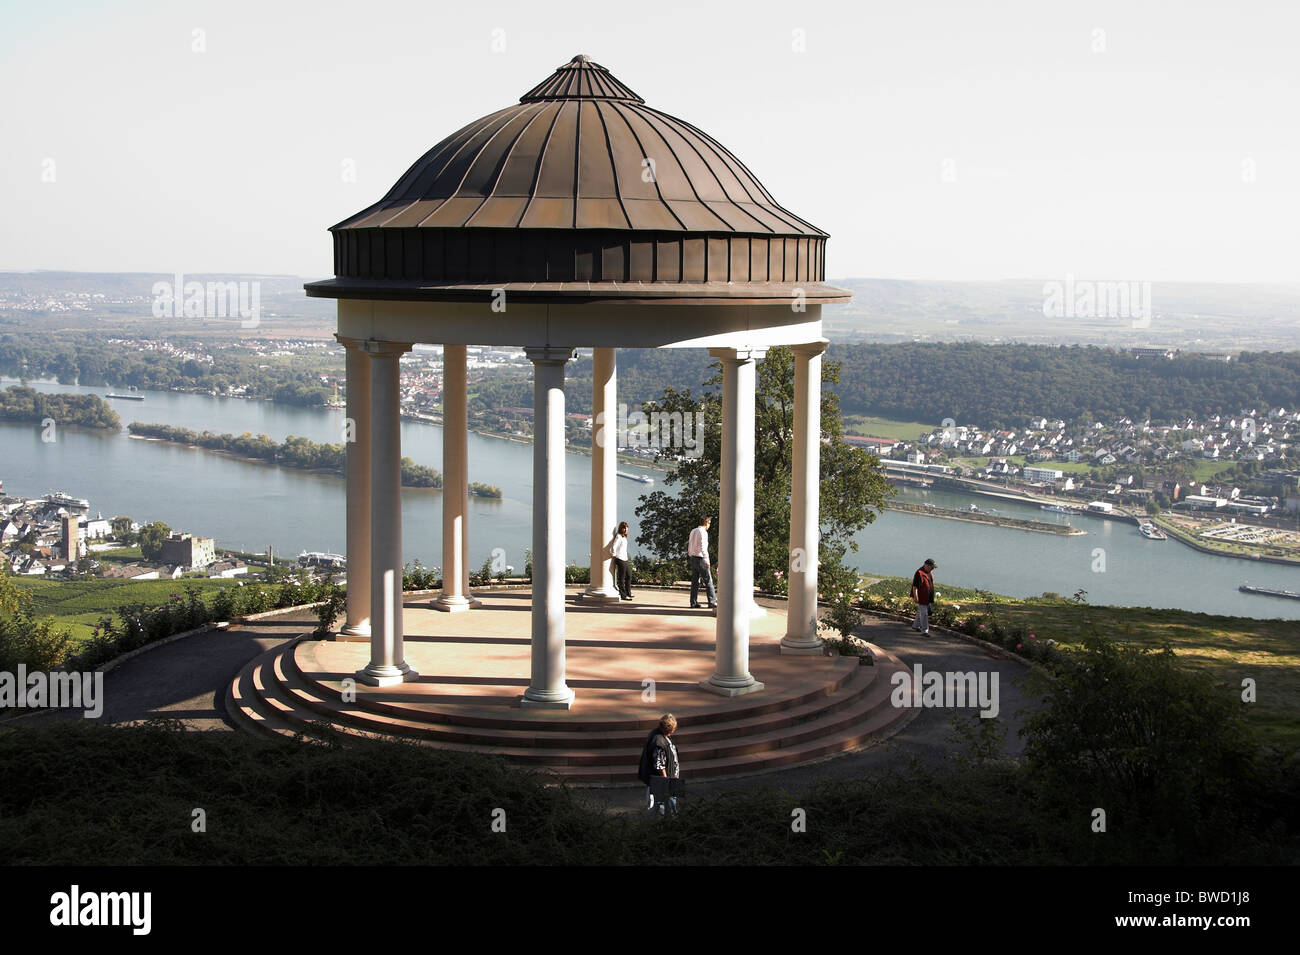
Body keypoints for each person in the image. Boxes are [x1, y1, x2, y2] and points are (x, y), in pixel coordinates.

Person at [637, 713, 681, 815]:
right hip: (664, 779)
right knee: (665, 802)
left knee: (659, 802)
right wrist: (666, 780)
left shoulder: (657, 735)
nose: (673, 732)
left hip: (663, 778)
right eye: (671, 729)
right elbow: (659, 764)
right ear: (666, 729)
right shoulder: (659, 741)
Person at [687, 516, 717, 609]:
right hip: (701, 558)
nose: (709, 525)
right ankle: (712, 601)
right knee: (708, 580)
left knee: (695, 581)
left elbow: (690, 544)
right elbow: (703, 547)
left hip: (693, 558)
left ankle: (693, 602)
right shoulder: (703, 532)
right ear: (706, 523)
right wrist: (707, 560)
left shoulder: (693, 530)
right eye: (709, 523)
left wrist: (690, 554)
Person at [910, 558, 937, 635]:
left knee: (920, 612)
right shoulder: (919, 573)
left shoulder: (929, 573)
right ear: (927, 565)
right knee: (924, 613)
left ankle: (915, 625)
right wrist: (916, 597)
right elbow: (915, 587)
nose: (932, 569)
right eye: (931, 567)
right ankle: (924, 631)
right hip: (922, 597)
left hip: (928, 597)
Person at [609, 521, 633, 600]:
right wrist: (614, 555)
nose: (626, 530)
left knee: (629, 575)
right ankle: (623, 595)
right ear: (621, 528)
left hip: (625, 559)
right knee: (621, 578)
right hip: (620, 559)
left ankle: (628, 593)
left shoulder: (624, 537)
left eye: (626, 528)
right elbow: (613, 547)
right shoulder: (619, 536)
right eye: (624, 528)